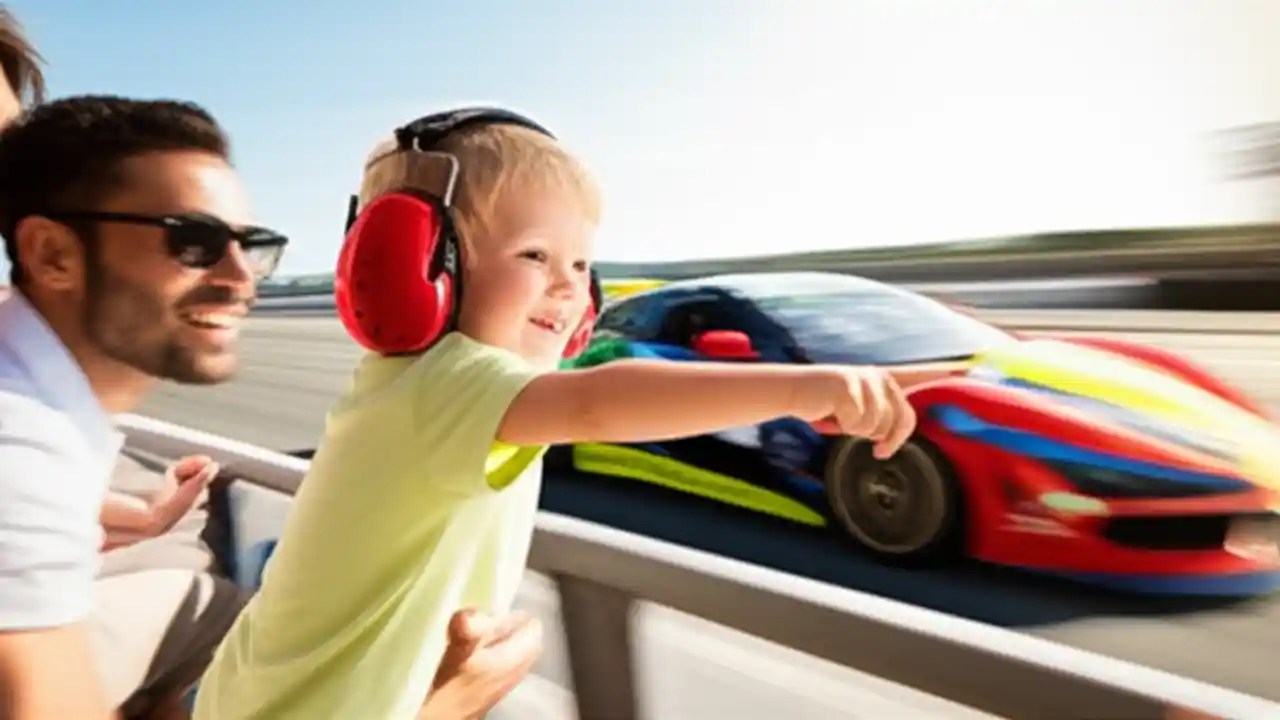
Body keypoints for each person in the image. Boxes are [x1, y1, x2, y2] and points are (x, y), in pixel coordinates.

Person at [192, 107, 921, 719]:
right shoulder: (442, 386)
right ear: (419, 268)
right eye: (535, 255)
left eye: (581, 265)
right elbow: (598, 403)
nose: (570, 289)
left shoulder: (419, 391)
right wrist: (797, 390)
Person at [0, 94, 289, 719]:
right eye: (194, 240)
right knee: (225, 613)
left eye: (252, 244)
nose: (241, 277)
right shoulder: (20, 445)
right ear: (53, 254)